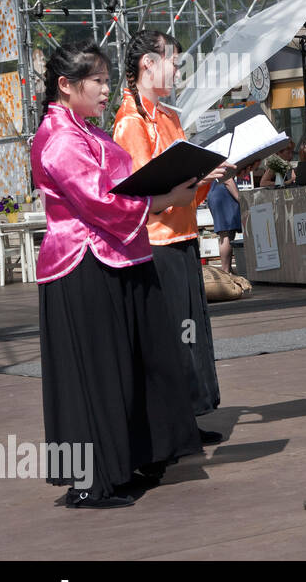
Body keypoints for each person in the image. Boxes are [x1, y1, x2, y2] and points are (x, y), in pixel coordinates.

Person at [32, 42, 208, 507]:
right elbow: (99, 201)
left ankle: (131, 459)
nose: (107, 90)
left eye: (108, 81)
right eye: (98, 81)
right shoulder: (59, 137)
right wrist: (162, 200)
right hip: (81, 264)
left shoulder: (85, 130)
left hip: (119, 255)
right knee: (95, 374)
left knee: (134, 363)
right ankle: (91, 482)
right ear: (65, 85)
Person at [113, 30, 227, 444]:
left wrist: (206, 176)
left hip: (182, 236)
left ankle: (187, 419)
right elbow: (141, 194)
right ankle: (172, 426)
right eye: (173, 63)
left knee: (190, 332)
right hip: (156, 244)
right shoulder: (131, 121)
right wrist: (183, 188)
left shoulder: (167, 115)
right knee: (173, 336)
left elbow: (183, 191)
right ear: (148, 63)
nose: (177, 71)